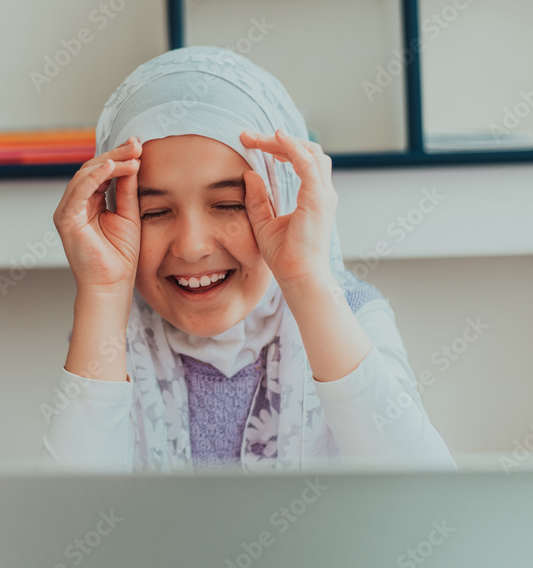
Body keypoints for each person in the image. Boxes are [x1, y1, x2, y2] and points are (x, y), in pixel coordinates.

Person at [39, 46, 453, 472]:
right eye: (155, 212)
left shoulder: (350, 310)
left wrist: (306, 281)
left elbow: (425, 497)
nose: (191, 247)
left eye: (229, 205)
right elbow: (69, 512)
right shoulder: (113, 329)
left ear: (284, 194)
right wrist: (103, 293)